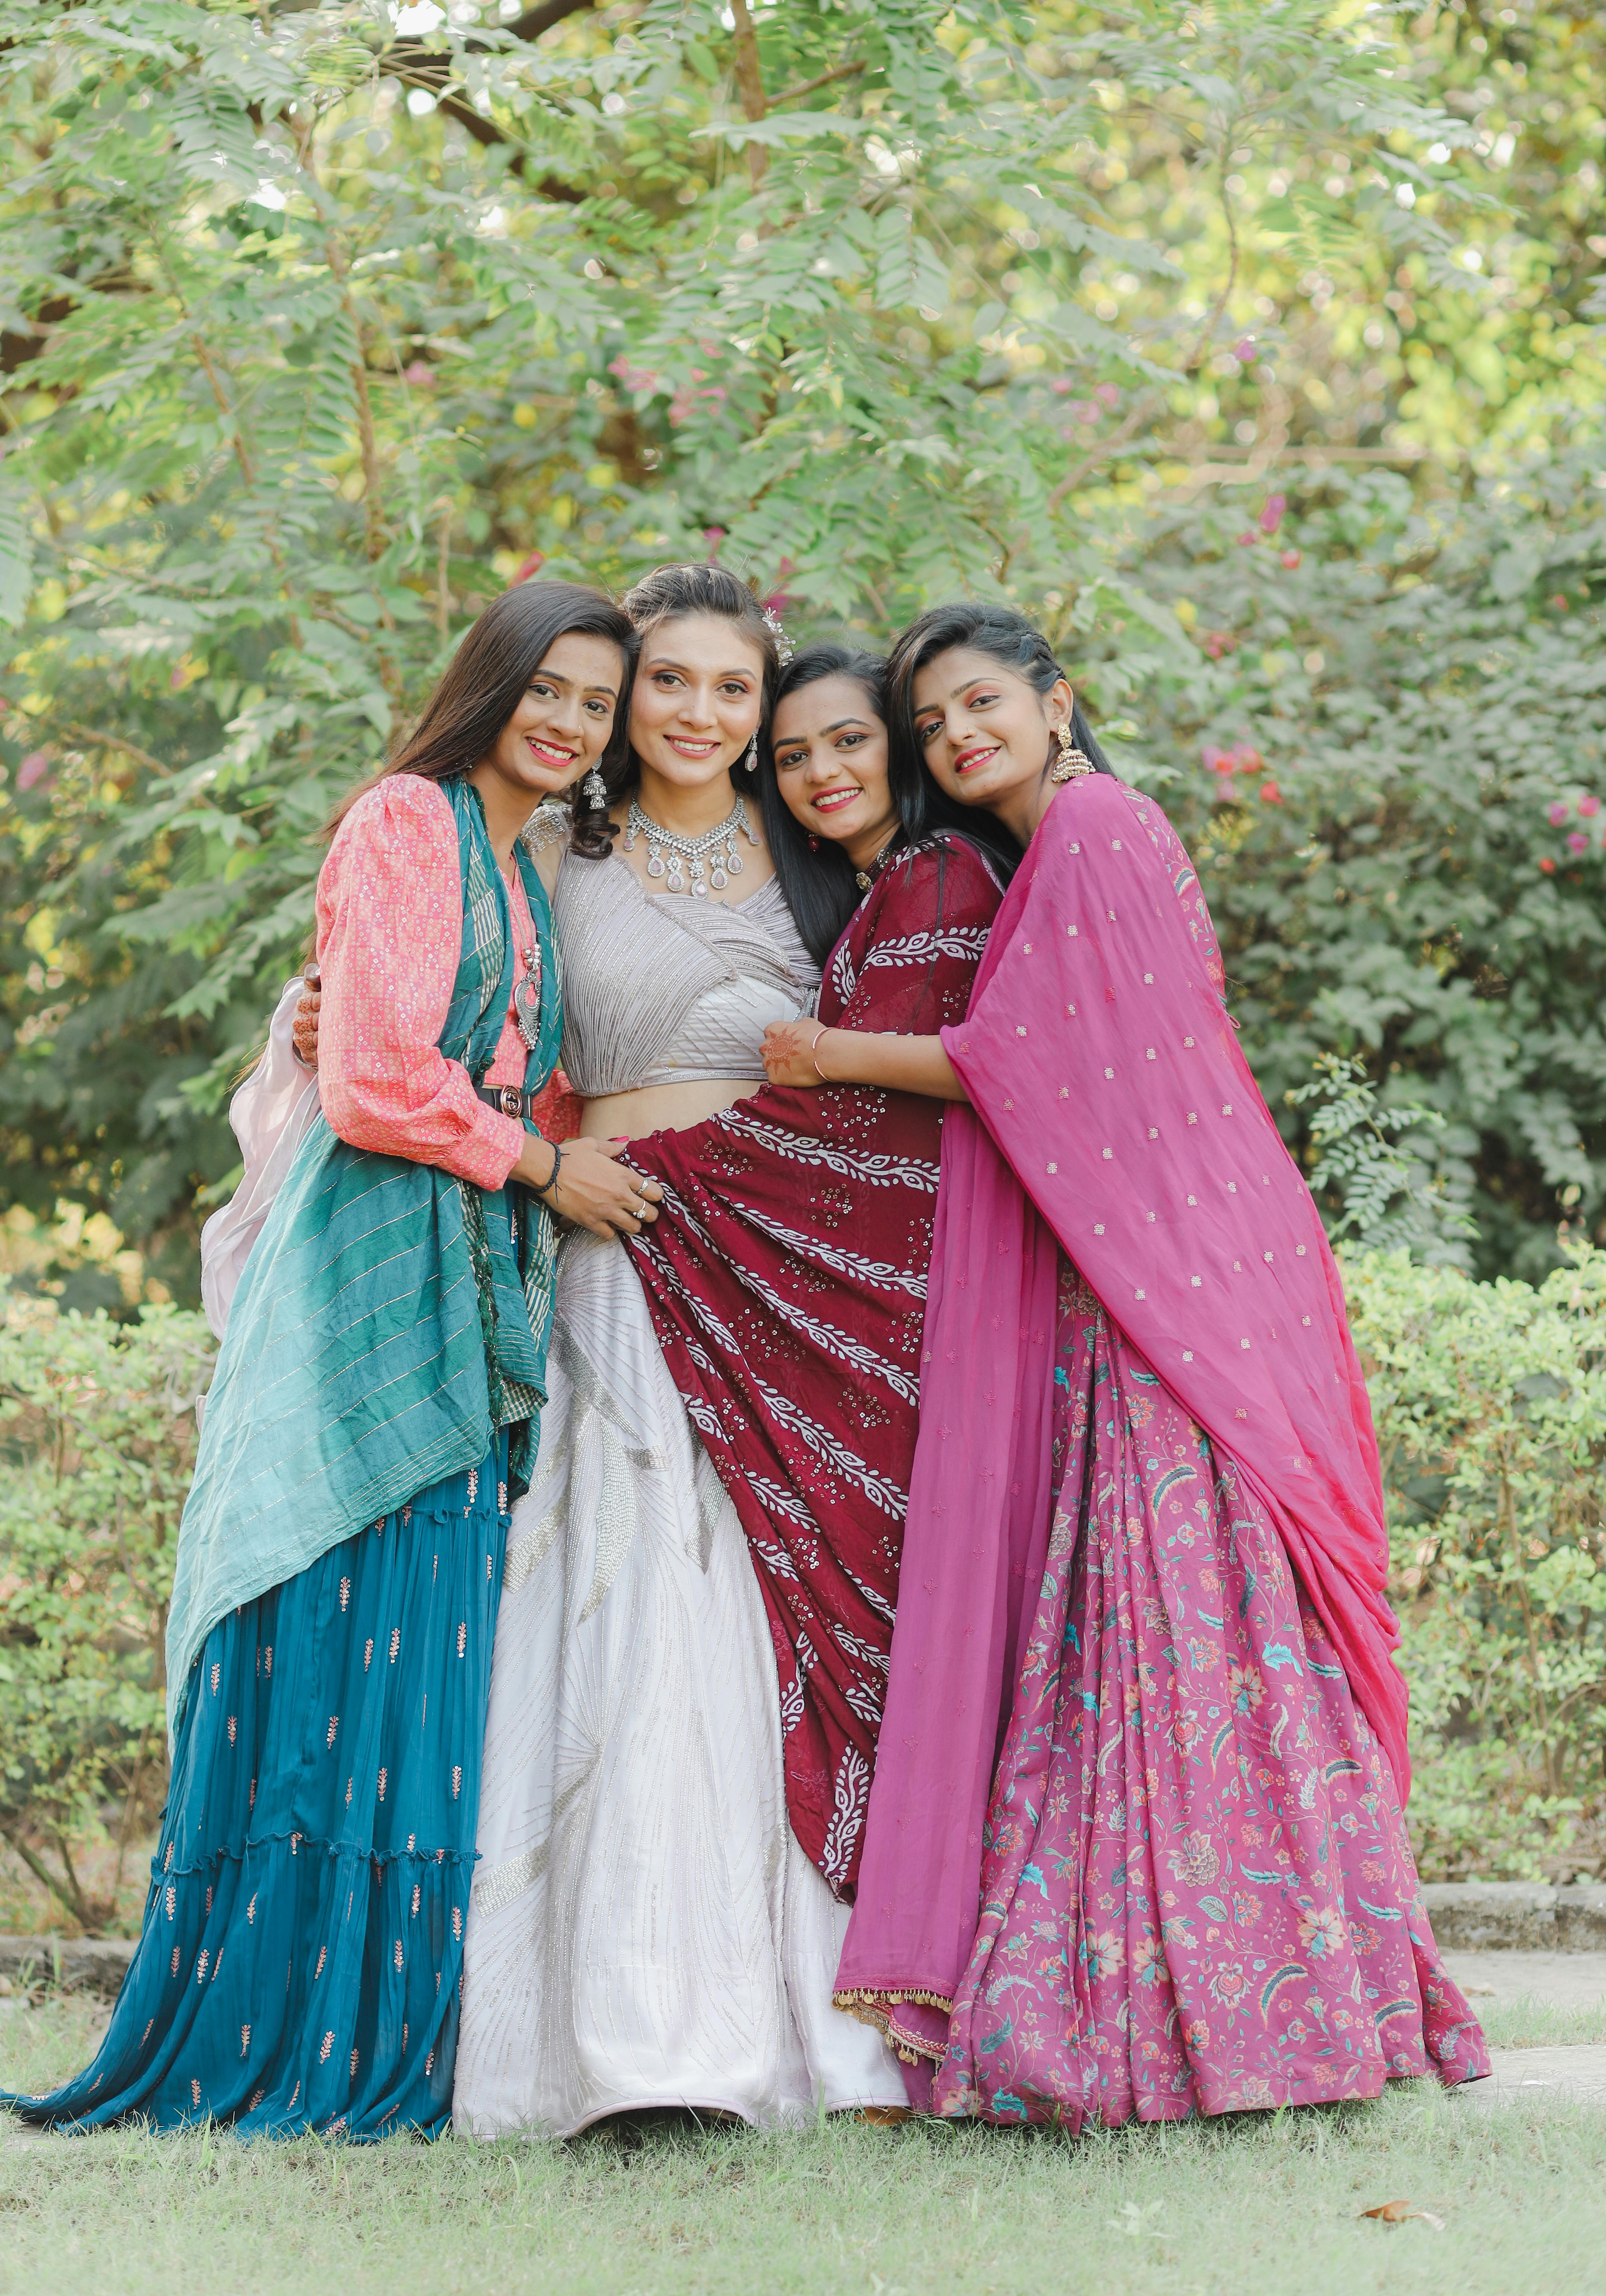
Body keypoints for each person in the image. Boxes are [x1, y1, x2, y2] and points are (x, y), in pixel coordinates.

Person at [762, 599, 1487, 2126]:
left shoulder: (1091, 825)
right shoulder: (1062, 842)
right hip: (1161, 1263)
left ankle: (1237, 2018)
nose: (959, 739)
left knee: (1181, 1622)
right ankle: (1253, 2005)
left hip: (1170, 1276)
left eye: (978, 706)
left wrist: (824, 1058)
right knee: (1178, 1631)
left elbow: (1025, 1061)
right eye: (936, 724)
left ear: (1055, 696)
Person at [0, 581, 656, 2140]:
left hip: (465, 1274)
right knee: (326, 1619)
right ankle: (268, 2033)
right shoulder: (407, 821)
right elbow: (372, 1081)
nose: (566, 724)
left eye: (593, 706)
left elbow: (471, 1060)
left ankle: (386, 2039)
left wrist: (549, 1154)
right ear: (488, 683)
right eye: (545, 690)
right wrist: (544, 1169)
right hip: (370, 1265)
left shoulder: (523, 862)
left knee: (421, 1653)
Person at [451, 571, 913, 2137]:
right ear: (625, 694)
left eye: (734, 689)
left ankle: (824, 2035)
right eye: (671, 684)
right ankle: (638, 2049)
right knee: (637, 1615)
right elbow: (445, 1007)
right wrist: (323, 1023)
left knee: (784, 1631)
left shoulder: (819, 861)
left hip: (800, 1298)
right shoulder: (545, 849)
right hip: (626, 1266)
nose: (700, 715)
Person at [619, 644, 1006, 1899]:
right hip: (864, 1305)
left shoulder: (942, 877)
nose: (821, 772)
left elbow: (888, 1142)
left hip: (896, 1305)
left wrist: (653, 1169)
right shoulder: (868, 895)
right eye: (792, 758)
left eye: (848, 740)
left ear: (897, 741)